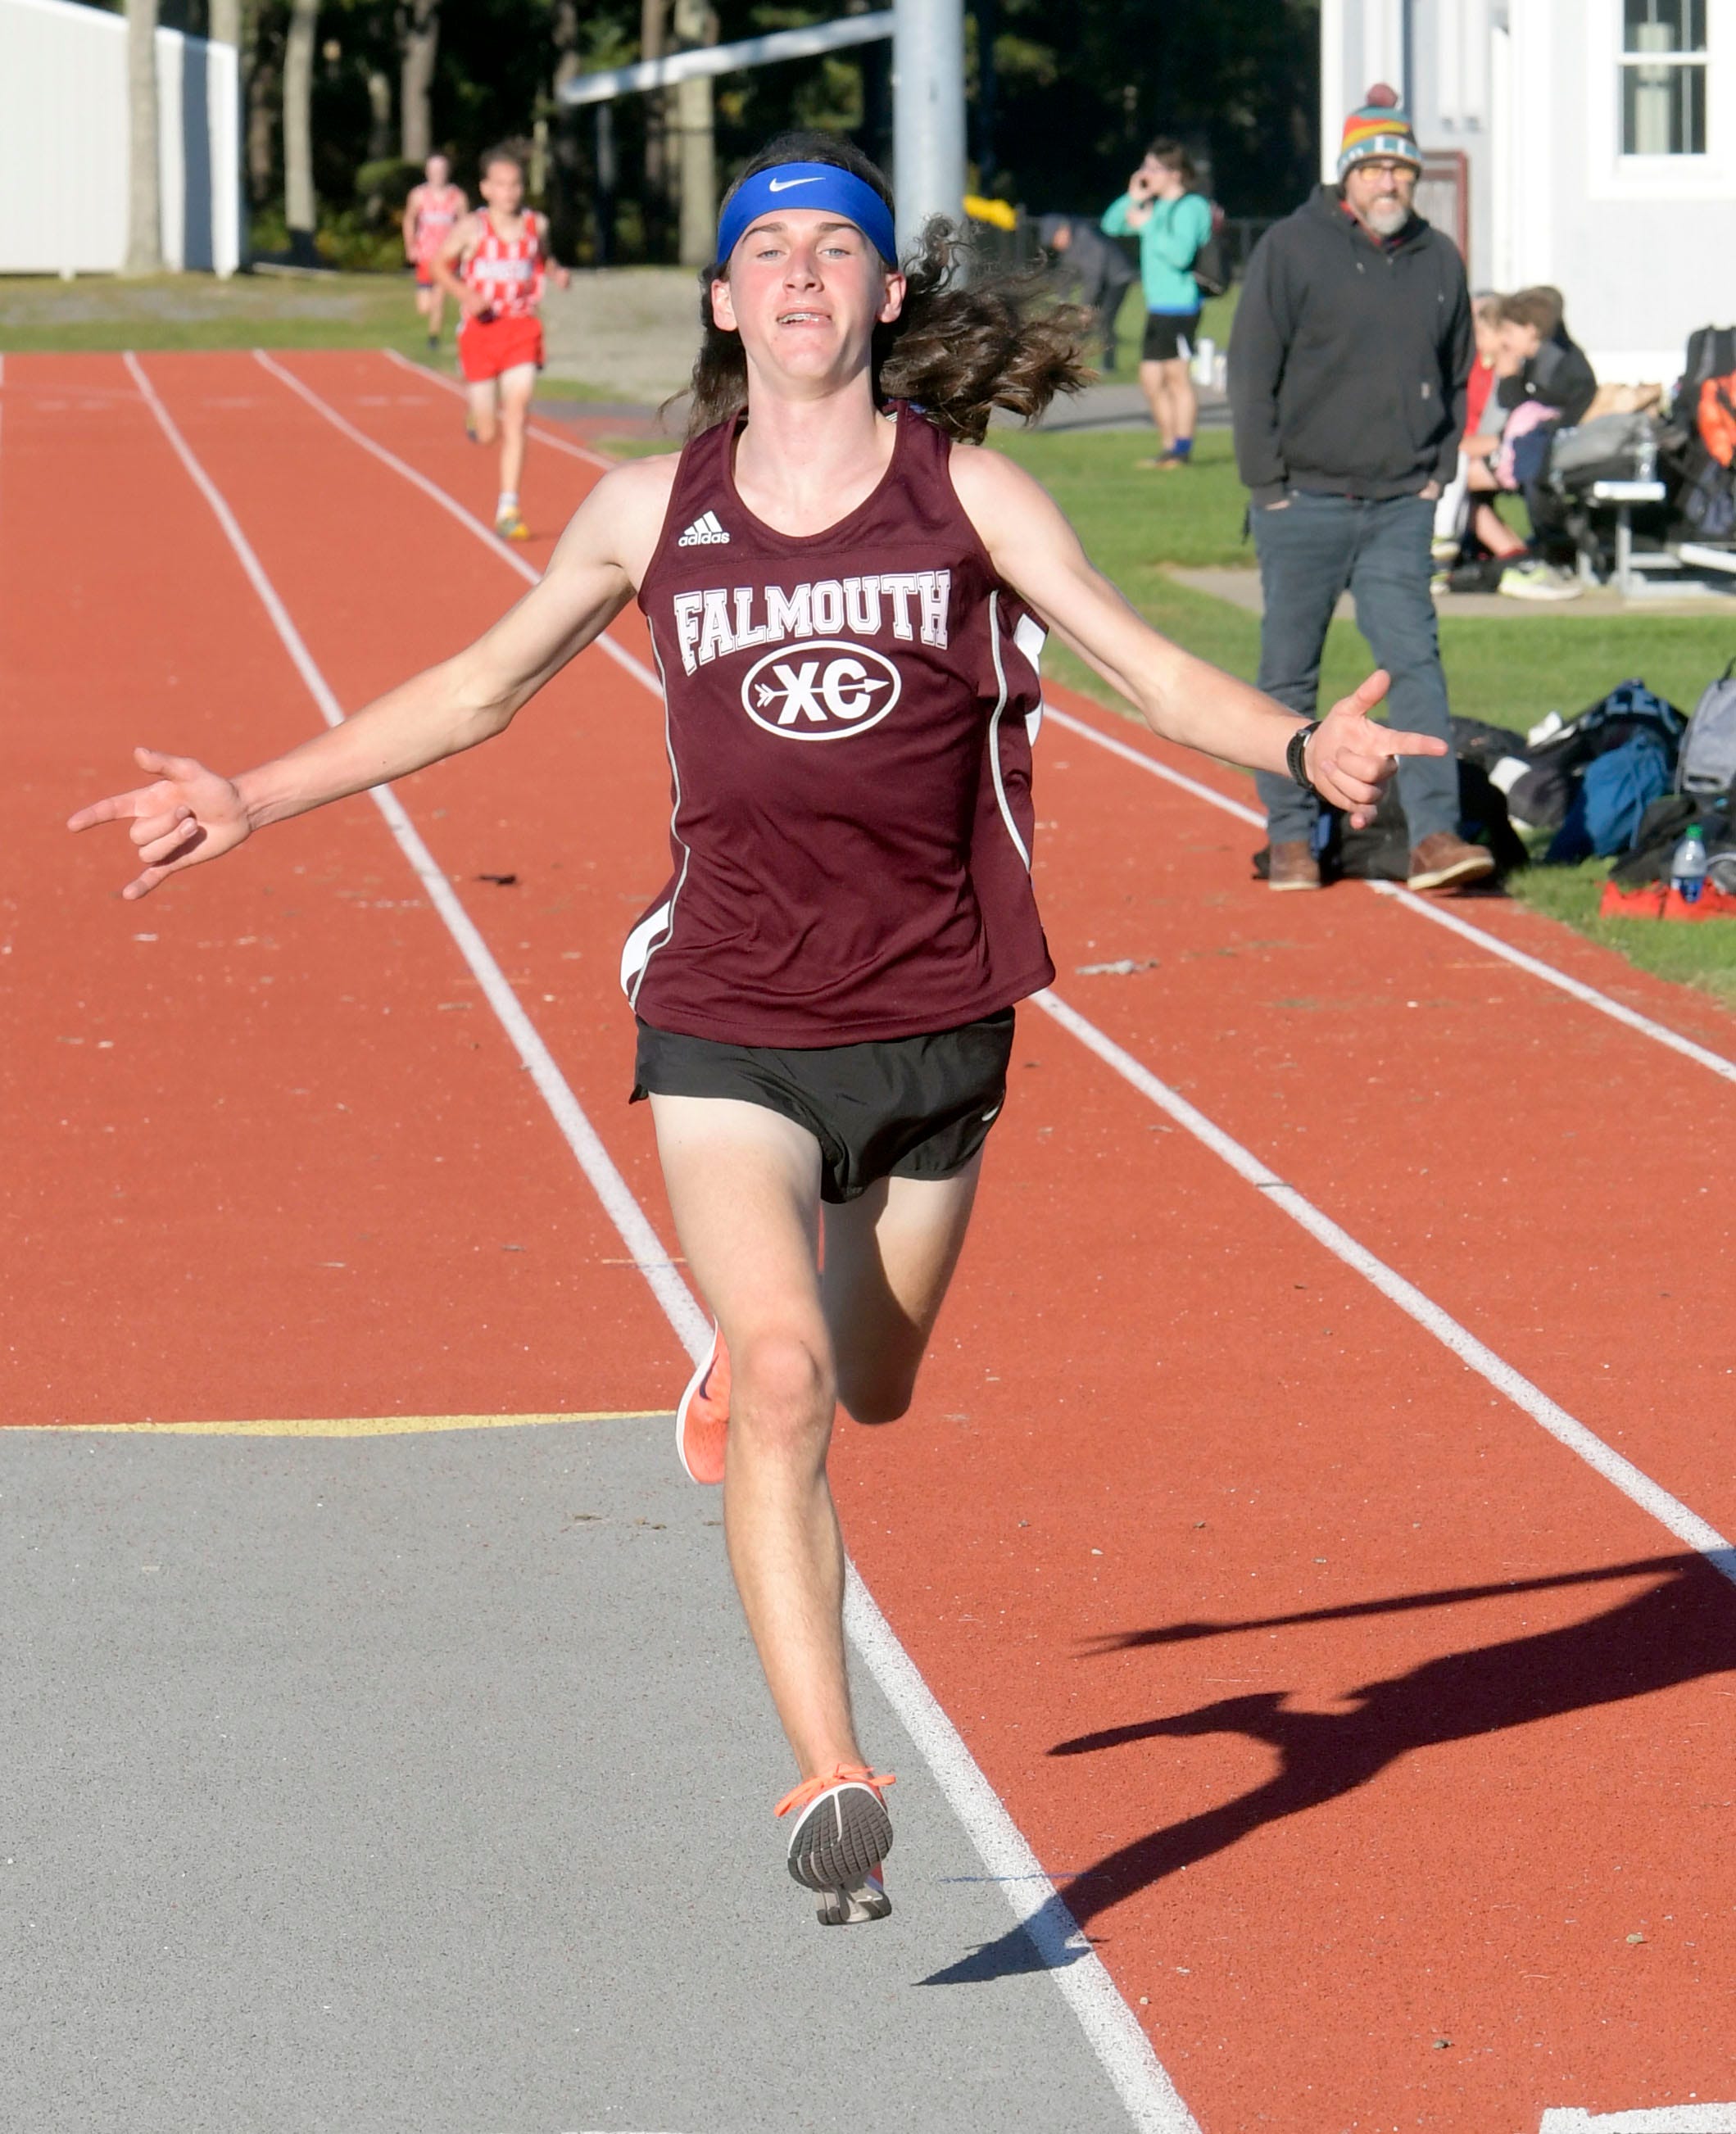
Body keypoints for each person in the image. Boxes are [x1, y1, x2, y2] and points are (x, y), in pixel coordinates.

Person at [69, 131, 1443, 1932]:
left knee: (871, 1382)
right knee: (792, 1380)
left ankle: (761, 1360)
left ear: (881, 293)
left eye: (833, 250)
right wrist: (253, 791)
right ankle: (830, 1771)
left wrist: (1297, 749)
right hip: (726, 1015)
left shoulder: (966, 498)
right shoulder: (655, 512)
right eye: (766, 251)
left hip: (942, 1022)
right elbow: (480, 688)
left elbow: (1139, 664)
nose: (799, 275)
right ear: (725, 302)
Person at [1227, 85, 1493, 895]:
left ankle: (1435, 836)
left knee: (1416, 668)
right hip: (1299, 502)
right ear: (1347, 174)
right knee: (1287, 677)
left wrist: (1436, 476)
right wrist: (1265, 486)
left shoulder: (1439, 259)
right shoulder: (1289, 248)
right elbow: (1250, 371)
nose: (1388, 183)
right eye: (1373, 168)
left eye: (1400, 169)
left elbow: (1457, 380)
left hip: (1396, 509)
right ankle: (1288, 842)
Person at [433, 146, 571, 542]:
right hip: (480, 332)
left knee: (518, 411)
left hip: (521, 329)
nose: (510, 193)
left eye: (516, 185)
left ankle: (508, 506)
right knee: (489, 430)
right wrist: (465, 293)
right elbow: (439, 267)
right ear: (486, 189)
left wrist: (558, 274)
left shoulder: (535, 225)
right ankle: (478, 419)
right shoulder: (471, 229)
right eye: (501, 185)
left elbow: (544, 259)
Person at [1459, 286, 1596, 601]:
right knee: (1460, 472)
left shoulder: (1558, 366)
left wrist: (1509, 379)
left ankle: (1513, 555)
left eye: (1509, 329)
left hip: (1543, 459)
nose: (1504, 339)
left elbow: (1529, 418)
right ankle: (1508, 552)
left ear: (1530, 330)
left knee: (1458, 475)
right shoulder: (1541, 360)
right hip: (1529, 455)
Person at [1100, 141, 1213, 468]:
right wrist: (1133, 198)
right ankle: (1169, 448)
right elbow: (1111, 224)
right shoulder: (1154, 205)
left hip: (1181, 305)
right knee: (1151, 379)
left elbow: (1180, 255)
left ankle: (1181, 450)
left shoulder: (1192, 207)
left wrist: (1147, 225)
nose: (1145, 174)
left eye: (1153, 168)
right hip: (1157, 305)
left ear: (1174, 173)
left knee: (1177, 377)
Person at [1037, 213, 1137, 371]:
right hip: (1102, 279)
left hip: (1117, 277)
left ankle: (1108, 365)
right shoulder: (1071, 243)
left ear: (1063, 230)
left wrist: (1086, 307)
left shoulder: (1086, 239)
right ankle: (1073, 360)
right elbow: (1066, 274)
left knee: (1105, 320)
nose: (1055, 245)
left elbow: (1093, 278)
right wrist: (1062, 301)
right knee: (1084, 323)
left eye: (1055, 239)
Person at [402, 154, 469, 351]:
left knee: (439, 297)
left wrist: (464, 250)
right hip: (425, 254)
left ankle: (433, 338)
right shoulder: (418, 195)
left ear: (447, 172)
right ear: (427, 172)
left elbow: (466, 224)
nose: (437, 175)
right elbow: (409, 219)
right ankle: (434, 325)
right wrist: (410, 245)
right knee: (424, 306)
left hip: (447, 255)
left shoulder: (458, 197)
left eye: (441, 170)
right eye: (434, 170)